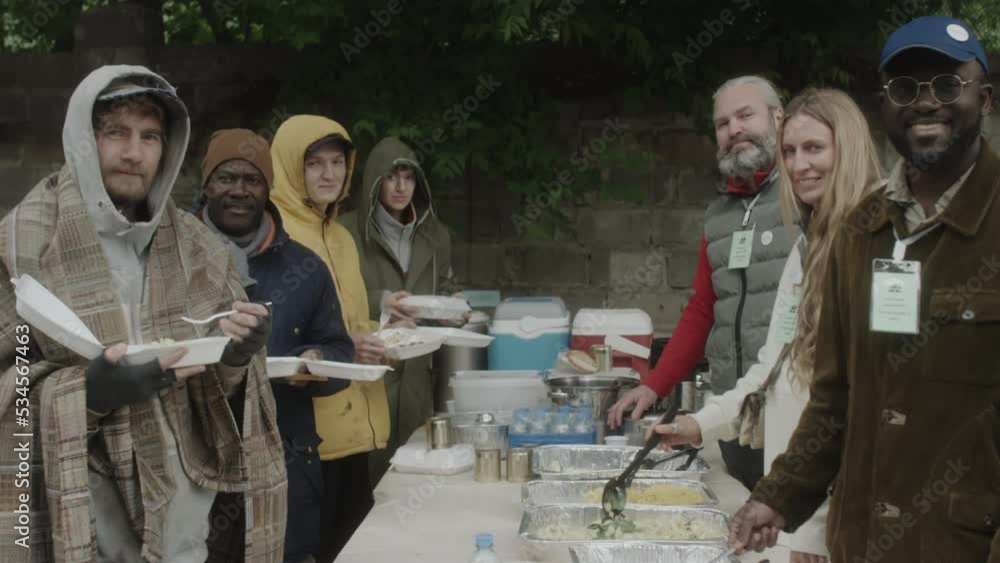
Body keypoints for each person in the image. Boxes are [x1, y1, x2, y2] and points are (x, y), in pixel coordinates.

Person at [730, 17, 1000, 563]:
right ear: (884, 105)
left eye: (947, 84)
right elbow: (834, 397)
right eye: (905, 88)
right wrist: (779, 496)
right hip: (861, 542)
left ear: (986, 99)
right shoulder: (861, 230)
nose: (926, 101)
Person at [0, 66, 285, 562]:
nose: (134, 153)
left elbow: (219, 389)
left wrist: (238, 355)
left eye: (150, 136)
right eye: (117, 133)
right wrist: (89, 394)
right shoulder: (22, 245)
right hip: (81, 535)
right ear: (83, 138)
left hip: (186, 534)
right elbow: (11, 380)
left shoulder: (198, 248)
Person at [649, 88, 883, 563]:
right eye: (790, 151)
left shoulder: (877, 246)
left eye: (814, 148)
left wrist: (813, 528)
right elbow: (770, 370)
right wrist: (698, 424)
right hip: (797, 505)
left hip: (844, 519)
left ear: (850, 149)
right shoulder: (808, 245)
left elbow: (860, 407)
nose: (799, 165)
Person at [610, 75, 798, 490]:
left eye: (745, 115)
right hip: (733, 415)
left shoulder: (806, 195)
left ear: (779, 118)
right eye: (722, 123)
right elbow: (702, 309)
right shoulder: (719, 216)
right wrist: (655, 384)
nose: (734, 130)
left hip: (795, 415)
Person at [197, 129, 357, 563]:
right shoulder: (174, 257)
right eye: (226, 178)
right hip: (196, 465)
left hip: (288, 465)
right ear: (206, 185)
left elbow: (340, 348)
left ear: (268, 189)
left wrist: (317, 363)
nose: (239, 190)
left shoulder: (304, 267)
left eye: (252, 180)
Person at [270, 115, 403, 562]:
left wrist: (383, 333)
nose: (329, 174)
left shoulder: (342, 237)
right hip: (308, 436)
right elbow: (276, 334)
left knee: (356, 550)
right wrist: (346, 343)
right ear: (290, 167)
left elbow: (349, 322)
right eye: (314, 164)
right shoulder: (277, 237)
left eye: (337, 162)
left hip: (357, 424)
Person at [341, 136, 460, 484]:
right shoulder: (346, 232)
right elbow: (333, 297)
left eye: (408, 178)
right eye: (391, 177)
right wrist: (380, 301)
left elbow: (444, 289)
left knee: (413, 472)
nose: (400, 187)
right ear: (374, 181)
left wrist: (452, 307)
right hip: (367, 372)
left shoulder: (436, 236)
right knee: (367, 478)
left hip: (418, 373)